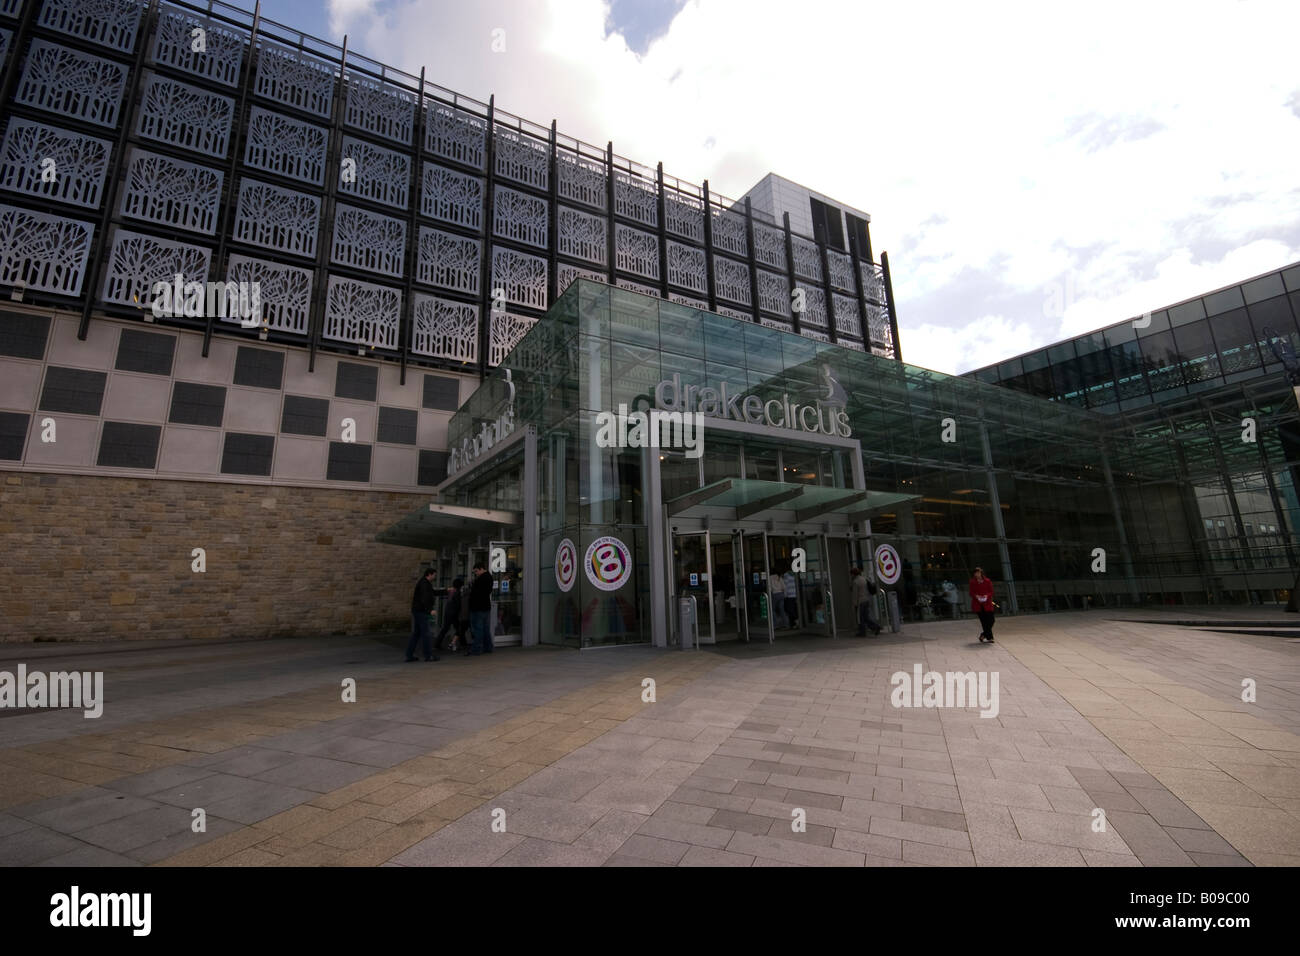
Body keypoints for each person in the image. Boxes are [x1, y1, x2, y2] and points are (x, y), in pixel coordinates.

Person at [405, 567, 440, 662]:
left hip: (418, 610)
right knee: (426, 634)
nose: (435, 576)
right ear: (430, 574)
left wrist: (446, 591)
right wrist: (429, 610)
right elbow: (424, 598)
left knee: (416, 633)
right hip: (421, 611)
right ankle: (428, 655)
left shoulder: (424, 583)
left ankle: (409, 655)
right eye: (434, 574)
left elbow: (432, 593)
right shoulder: (424, 584)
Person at [466, 561, 494, 656]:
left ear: (481, 569)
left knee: (478, 629)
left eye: (476, 571)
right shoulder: (489, 577)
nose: (476, 573)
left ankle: (477, 649)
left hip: (478, 608)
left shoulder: (482, 579)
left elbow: (476, 593)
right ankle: (488, 647)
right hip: (485, 607)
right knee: (485, 628)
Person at [435, 577, 465, 652]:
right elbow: (458, 604)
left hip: (448, 612)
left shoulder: (451, 591)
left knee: (446, 628)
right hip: (454, 613)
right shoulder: (457, 592)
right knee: (459, 628)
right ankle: (462, 643)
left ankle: (437, 643)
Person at [850, 566, 881, 636]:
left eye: (851, 574)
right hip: (866, 600)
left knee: (861, 618)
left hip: (860, 601)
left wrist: (855, 604)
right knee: (866, 617)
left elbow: (855, 594)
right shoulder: (864, 579)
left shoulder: (855, 582)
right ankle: (875, 627)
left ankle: (862, 632)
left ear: (853, 574)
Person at [970, 567, 996, 642]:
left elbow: (991, 591)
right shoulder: (972, 582)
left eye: (978, 573)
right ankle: (990, 637)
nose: (977, 574)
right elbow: (971, 593)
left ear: (981, 573)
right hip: (978, 604)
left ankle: (983, 634)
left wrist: (986, 595)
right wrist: (976, 596)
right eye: (976, 573)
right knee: (984, 621)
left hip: (987, 603)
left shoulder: (987, 581)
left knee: (991, 620)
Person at [782, 564, 799, 630]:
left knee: (789, 609)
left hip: (789, 595)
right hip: (796, 594)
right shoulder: (796, 574)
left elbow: (785, 585)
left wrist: (785, 595)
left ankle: (796, 621)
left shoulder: (786, 575)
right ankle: (794, 623)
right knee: (794, 609)